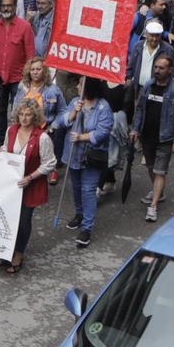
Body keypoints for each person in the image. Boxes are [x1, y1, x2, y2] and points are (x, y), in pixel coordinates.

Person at [3, 97, 58, 274]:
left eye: (28, 115)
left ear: (34, 117)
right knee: (9, 218)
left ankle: (19, 254)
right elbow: (6, 149)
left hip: (31, 185)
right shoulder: (11, 130)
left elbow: (50, 163)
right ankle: (6, 250)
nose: (24, 118)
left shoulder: (42, 137)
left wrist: (31, 177)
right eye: (21, 114)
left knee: (24, 221)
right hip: (12, 184)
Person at [132, 53, 174, 222]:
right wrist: (135, 129)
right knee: (151, 167)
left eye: (161, 68)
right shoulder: (148, 85)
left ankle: (153, 206)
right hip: (147, 136)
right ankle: (159, 192)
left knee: (159, 171)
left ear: (170, 70)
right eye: (155, 67)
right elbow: (140, 109)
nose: (157, 71)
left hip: (165, 138)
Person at [60, 82, 114, 250]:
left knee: (88, 190)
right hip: (73, 154)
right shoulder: (75, 101)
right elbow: (62, 121)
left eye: (81, 83)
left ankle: (86, 228)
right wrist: (73, 113)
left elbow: (103, 131)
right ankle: (79, 214)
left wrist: (82, 137)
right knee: (76, 187)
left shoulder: (103, 107)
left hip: (92, 156)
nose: (77, 86)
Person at [0, 0, 37, 133]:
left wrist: (28, 77)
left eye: (9, 5)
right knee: (0, 110)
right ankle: (1, 139)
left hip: (18, 78)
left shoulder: (25, 27)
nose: (6, 8)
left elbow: (30, 54)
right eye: (3, 6)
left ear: (14, 7)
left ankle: (16, 138)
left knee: (19, 111)